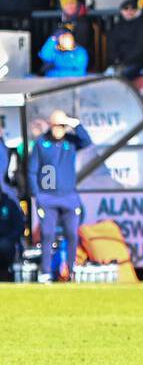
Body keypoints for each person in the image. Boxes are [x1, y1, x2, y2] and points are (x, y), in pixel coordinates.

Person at [27, 109, 95, 283]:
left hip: (68, 197)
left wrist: (76, 124)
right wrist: (37, 195)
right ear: (50, 125)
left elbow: (86, 141)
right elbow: (32, 170)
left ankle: (71, 270)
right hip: (48, 198)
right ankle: (46, 272)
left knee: (72, 234)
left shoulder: (70, 142)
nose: (59, 129)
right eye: (56, 125)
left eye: (62, 126)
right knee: (47, 234)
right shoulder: (42, 143)